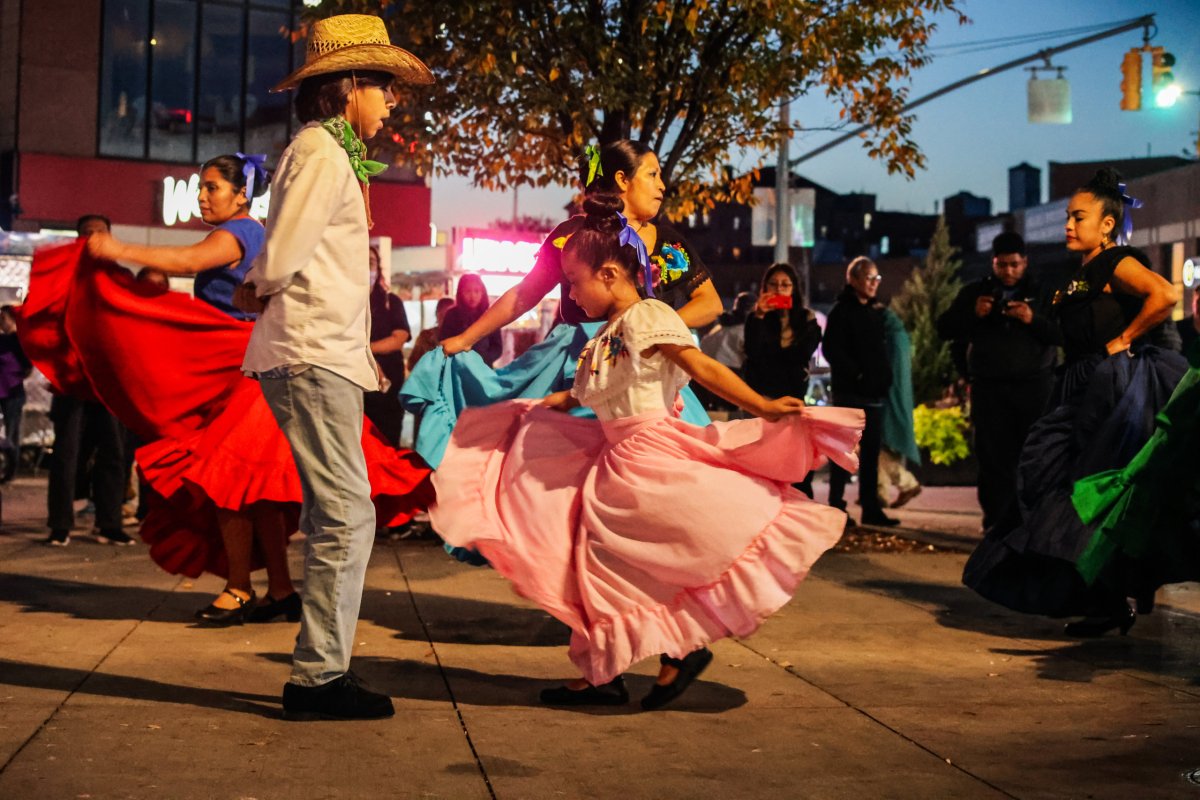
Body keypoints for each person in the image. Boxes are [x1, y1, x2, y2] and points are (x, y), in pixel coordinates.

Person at [429, 195, 863, 710]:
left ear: (610, 274)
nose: (569, 291)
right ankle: (617, 668)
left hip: (650, 458)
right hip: (616, 465)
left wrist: (763, 406)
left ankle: (661, 655)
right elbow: (592, 392)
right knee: (602, 567)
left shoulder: (648, 316)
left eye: (574, 280)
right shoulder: (602, 339)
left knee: (645, 562)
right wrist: (537, 407)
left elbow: (704, 369)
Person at [239, 13, 434, 721]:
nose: (391, 101)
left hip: (320, 353)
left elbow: (281, 253)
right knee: (348, 515)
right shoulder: (322, 152)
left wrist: (258, 280)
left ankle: (322, 671)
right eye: (383, 86)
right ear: (349, 85)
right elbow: (286, 251)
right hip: (312, 351)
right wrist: (257, 280)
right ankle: (319, 677)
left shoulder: (325, 152)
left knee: (338, 513)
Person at [402, 139, 722, 470]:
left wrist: (649, 332)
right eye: (652, 174)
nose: (662, 185)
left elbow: (710, 304)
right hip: (576, 360)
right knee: (556, 466)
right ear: (623, 180)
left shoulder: (670, 243)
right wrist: (466, 339)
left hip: (646, 368)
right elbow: (525, 293)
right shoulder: (572, 235)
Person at [962, 168, 1185, 637]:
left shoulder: (1116, 260)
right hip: (1079, 384)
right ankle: (1100, 597)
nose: (1068, 224)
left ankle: (1107, 598)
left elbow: (1164, 294)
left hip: (1109, 390)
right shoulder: (1079, 272)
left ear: (1107, 224)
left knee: (1086, 490)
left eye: (1078, 217)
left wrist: (1123, 339)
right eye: (1067, 216)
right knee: (1059, 486)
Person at [84, 153, 299, 625]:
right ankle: (280, 590)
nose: (202, 196)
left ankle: (241, 588)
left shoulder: (238, 233)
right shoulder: (256, 232)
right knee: (255, 486)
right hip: (250, 362)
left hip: (239, 366)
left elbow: (186, 260)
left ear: (241, 194)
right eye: (200, 188)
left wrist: (118, 249)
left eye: (212, 187)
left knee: (228, 481)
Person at [936, 232, 1059, 529]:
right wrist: (973, 314)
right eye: (1002, 265)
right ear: (993, 262)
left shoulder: (1042, 293)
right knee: (992, 460)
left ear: (1025, 262)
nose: (1008, 271)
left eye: (1014, 264)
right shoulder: (975, 293)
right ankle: (996, 524)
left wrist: (1033, 320)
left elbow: (1062, 333)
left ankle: (1030, 522)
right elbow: (945, 329)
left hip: (1033, 390)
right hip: (990, 391)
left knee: (1032, 457)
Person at [39, 215, 130, 547]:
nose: (93, 238)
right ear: (78, 238)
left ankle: (109, 523)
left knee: (114, 453)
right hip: (71, 380)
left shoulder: (120, 276)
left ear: (110, 235)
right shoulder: (62, 276)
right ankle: (60, 525)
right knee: (66, 454)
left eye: (99, 232)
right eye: (86, 233)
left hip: (108, 382)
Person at [821, 256, 898, 527]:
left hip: (873, 394)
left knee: (870, 454)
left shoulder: (874, 312)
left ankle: (870, 506)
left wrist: (882, 379)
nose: (874, 283)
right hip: (850, 394)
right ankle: (837, 505)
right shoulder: (842, 311)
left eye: (877, 278)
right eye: (869, 278)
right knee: (845, 452)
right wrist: (857, 374)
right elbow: (832, 349)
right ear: (852, 280)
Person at [742, 263, 822, 494]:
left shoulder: (806, 319)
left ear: (794, 289)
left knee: (797, 451)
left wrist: (777, 357)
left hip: (793, 394)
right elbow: (754, 353)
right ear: (764, 287)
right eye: (774, 285)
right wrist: (759, 316)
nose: (779, 290)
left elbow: (803, 352)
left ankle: (800, 500)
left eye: (785, 285)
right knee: (764, 453)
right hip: (762, 395)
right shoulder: (757, 318)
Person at [364, 244, 411, 447]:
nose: (367, 268)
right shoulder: (346, 303)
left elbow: (399, 337)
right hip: (357, 388)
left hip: (388, 390)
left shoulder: (391, 302)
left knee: (387, 443)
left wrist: (365, 349)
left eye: (371, 263)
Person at [877, 307, 922, 509]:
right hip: (896, 398)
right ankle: (881, 491)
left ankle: (901, 485)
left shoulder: (889, 338)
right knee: (882, 448)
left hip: (887, 399)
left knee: (879, 447)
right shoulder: (900, 337)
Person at [439, 273, 501, 366]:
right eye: (468, 291)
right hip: (458, 368)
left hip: (483, 368)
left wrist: (483, 359)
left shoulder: (490, 315)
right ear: (460, 293)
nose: (472, 296)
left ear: (482, 292)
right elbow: (445, 342)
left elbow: (497, 347)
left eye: (477, 291)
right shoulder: (452, 315)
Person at [0, 305, 32, 482]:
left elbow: (28, 366)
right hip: (3, 392)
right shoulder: (3, 340)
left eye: (4, 318)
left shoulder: (18, 340)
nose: (1, 322)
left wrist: (14, 378)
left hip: (12, 393)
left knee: (11, 433)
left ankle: (10, 470)